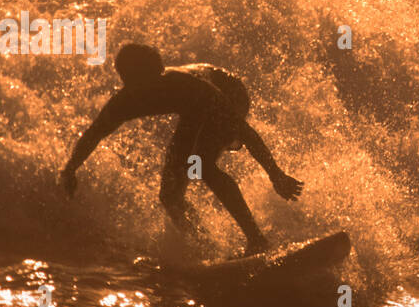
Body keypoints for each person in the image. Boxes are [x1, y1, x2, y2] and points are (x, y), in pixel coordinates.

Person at [60, 43, 302, 254]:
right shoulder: (126, 101)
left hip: (227, 91)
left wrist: (275, 174)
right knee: (169, 195)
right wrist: (70, 169)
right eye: (147, 83)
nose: (156, 87)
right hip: (192, 110)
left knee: (203, 165)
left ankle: (257, 240)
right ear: (130, 81)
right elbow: (94, 134)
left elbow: (244, 131)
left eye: (158, 77)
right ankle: (207, 247)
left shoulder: (187, 86)